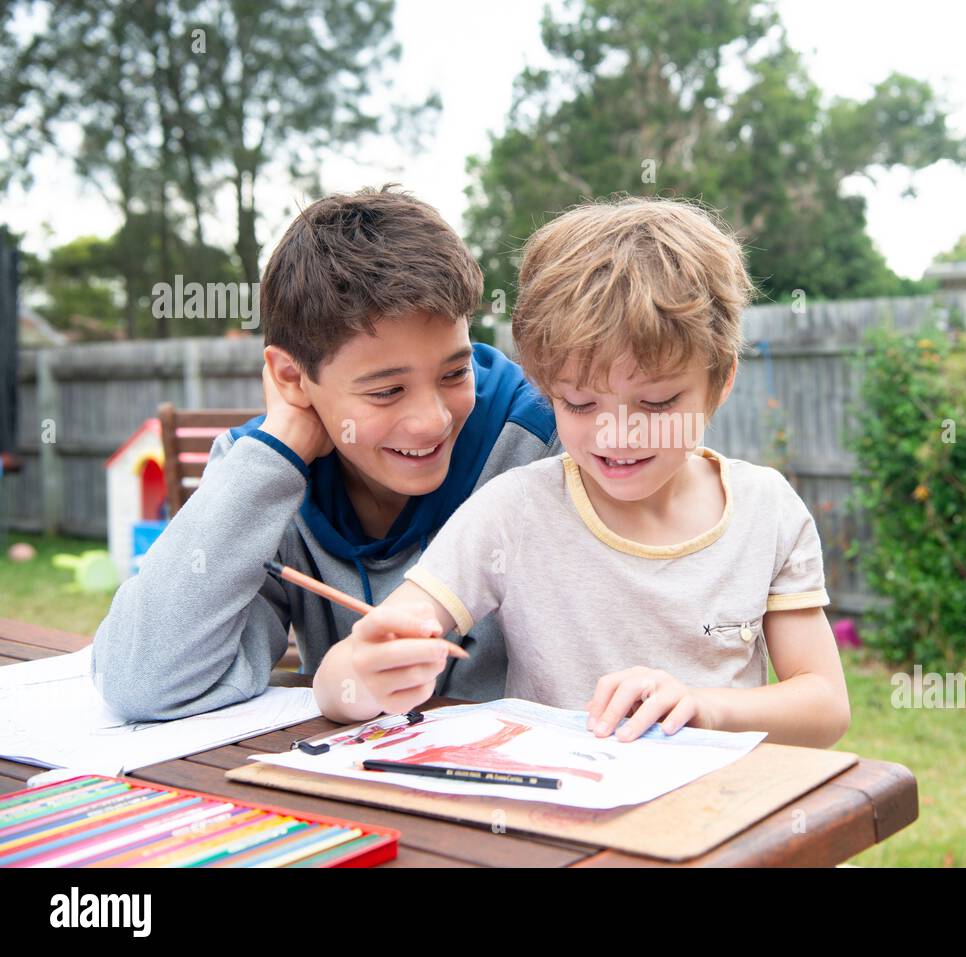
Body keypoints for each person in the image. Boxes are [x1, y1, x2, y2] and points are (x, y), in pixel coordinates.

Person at [320, 197, 850, 748]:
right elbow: (342, 680)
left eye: (656, 403)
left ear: (722, 380)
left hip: (715, 819)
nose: (617, 436)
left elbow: (825, 707)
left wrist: (704, 708)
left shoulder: (766, 508)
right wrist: (365, 669)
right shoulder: (514, 510)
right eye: (579, 404)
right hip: (560, 819)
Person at [91, 186, 560, 722]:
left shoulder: (544, 440)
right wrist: (281, 448)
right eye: (386, 391)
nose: (433, 419)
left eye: (455, 372)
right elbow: (140, 681)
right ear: (292, 377)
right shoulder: (263, 476)